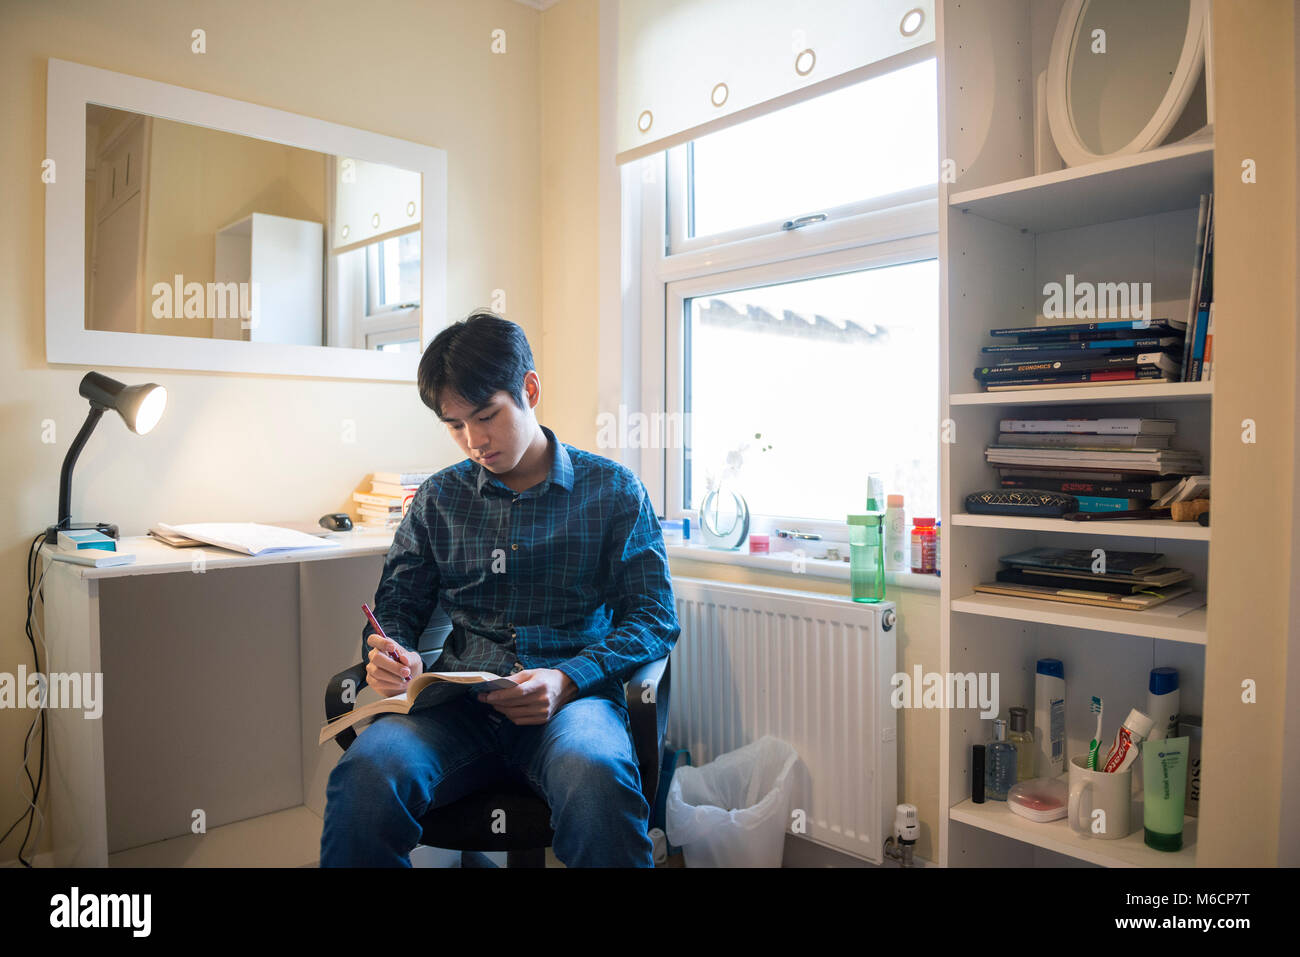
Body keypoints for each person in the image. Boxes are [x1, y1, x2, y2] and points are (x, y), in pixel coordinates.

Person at [320, 310, 680, 867]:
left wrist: (567, 678)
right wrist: (388, 651)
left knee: (597, 775)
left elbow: (654, 618)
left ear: (529, 390)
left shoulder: (612, 491)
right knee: (368, 773)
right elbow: (397, 608)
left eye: (486, 416)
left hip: (573, 705)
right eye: (454, 425)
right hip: (458, 710)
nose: (473, 441)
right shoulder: (439, 500)